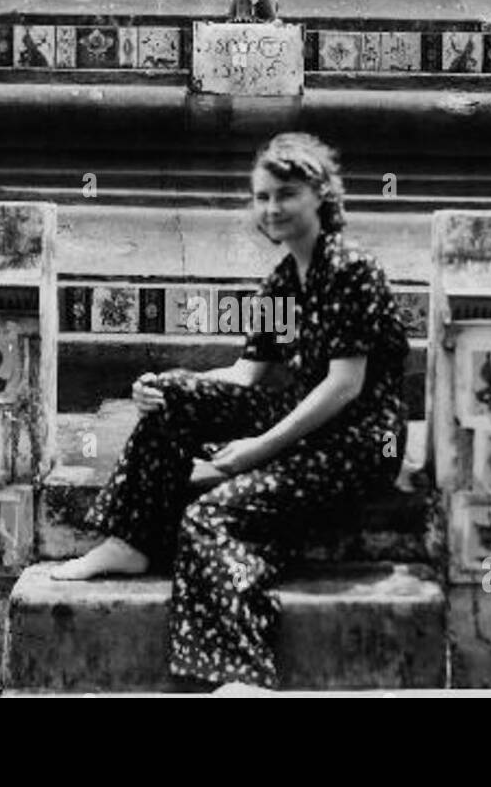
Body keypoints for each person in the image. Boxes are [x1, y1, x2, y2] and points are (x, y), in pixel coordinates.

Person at [50, 132, 410, 690]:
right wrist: (159, 387)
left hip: (357, 441)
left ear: (320, 193)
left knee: (209, 517)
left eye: (285, 194)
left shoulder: (349, 268)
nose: (271, 208)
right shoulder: (286, 280)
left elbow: (344, 387)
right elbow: (246, 374)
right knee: (174, 393)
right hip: (302, 416)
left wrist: (252, 454)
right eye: (262, 197)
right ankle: (129, 542)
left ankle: (242, 675)